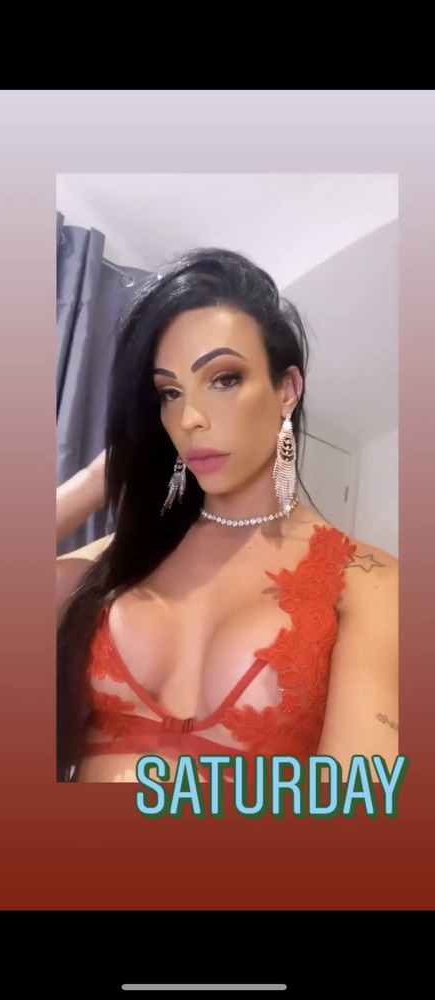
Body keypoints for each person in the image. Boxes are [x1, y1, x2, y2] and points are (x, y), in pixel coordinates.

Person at [57, 248, 398, 784]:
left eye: (224, 379)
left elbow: (361, 797)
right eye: (170, 392)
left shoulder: (369, 581)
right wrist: (97, 479)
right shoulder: (127, 554)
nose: (189, 418)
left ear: (287, 390)